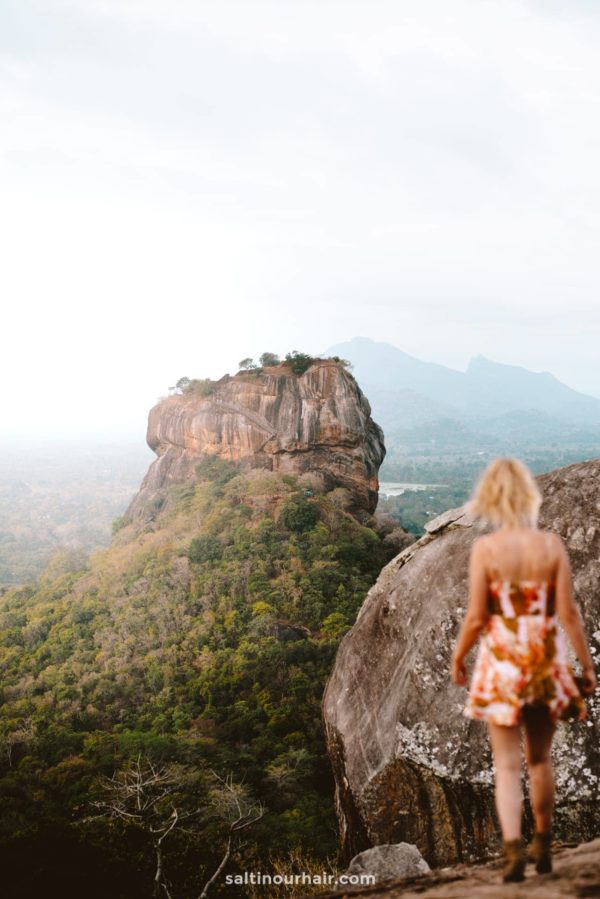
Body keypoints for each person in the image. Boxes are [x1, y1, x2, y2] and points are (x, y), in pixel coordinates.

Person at [450, 457, 597, 883]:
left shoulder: (488, 550)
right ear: (527, 496)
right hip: (545, 658)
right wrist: (584, 667)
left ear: (492, 498)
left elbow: (478, 616)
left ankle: (513, 851)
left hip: (504, 661)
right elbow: (569, 613)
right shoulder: (550, 545)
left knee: (507, 764)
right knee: (540, 759)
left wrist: (460, 657)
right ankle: (544, 845)